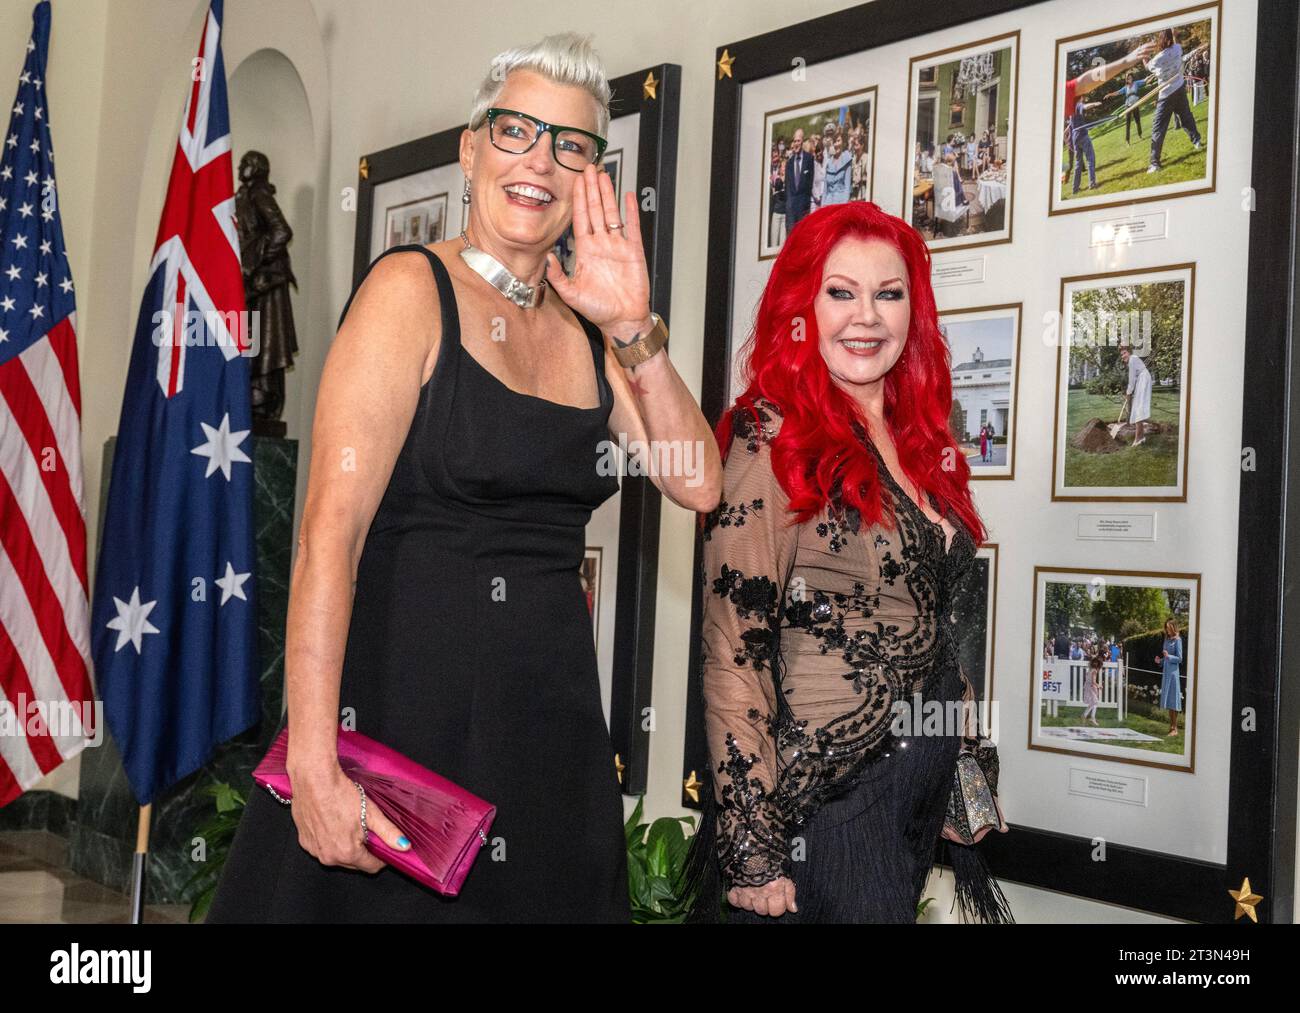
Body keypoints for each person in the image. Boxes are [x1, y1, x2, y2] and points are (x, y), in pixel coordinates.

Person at [206, 32, 721, 923]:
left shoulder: (599, 332)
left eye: (571, 144)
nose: (539, 161)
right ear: (471, 147)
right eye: (515, 131)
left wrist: (635, 326)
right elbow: (328, 532)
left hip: (550, 735)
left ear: (594, 175)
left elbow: (699, 481)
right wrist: (316, 766)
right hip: (403, 727)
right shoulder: (409, 291)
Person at [679, 200, 1012, 924]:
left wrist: (962, 764)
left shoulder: (923, 442)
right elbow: (736, 642)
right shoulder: (766, 435)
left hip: (907, 813)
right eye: (841, 292)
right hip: (817, 820)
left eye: (888, 294)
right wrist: (753, 850)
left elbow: (941, 623)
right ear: (801, 306)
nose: (867, 316)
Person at [1144, 28, 1203, 173]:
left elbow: (1147, 66)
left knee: (1158, 127)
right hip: (1180, 88)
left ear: (1161, 40)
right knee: (1186, 116)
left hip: (1166, 94)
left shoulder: (1158, 58)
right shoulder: (1177, 48)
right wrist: (1174, 35)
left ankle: (1155, 163)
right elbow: (1176, 44)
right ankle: (1197, 141)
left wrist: (1143, 55)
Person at [1119, 343, 1153, 446]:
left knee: (1138, 408)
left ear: (1129, 353)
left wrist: (1128, 392)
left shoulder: (1132, 359)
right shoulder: (1132, 360)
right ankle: (1141, 437)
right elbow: (1133, 378)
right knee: (1138, 407)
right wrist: (1130, 392)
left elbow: (1132, 378)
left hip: (1143, 379)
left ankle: (1138, 439)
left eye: (1124, 353)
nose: (1123, 356)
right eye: (1121, 354)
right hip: (1141, 380)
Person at [1157, 618, 1184, 737]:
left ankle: (1175, 728)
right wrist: (1160, 661)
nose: (1167, 630)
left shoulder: (1178, 640)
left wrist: (1168, 657)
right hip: (1166, 673)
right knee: (1169, 700)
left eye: (1168, 628)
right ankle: (1171, 726)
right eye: (1166, 628)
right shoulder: (1166, 640)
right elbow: (1165, 659)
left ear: (1173, 627)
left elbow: (1179, 659)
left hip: (1173, 674)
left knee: (1174, 700)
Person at [785, 129, 814, 231]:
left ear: (802, 141)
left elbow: (811, 183)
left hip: (804, 208)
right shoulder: (789, 163)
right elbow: (788, 188)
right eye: (795, 141)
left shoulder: (809, 159)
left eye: (798, 140)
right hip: (792, 210)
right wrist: (789, 209)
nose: (796, 143)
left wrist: (807, 205)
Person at [1081, 655, 1101, 726]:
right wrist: (1099, 686)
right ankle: (1088, 716)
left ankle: (1089, 716)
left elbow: (1088, 680)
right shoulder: (1094, 671)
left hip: (1088, 687)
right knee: (1094, 702)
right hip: (1091, 687)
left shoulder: (1089, 670)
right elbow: (1093, 681)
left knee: (1094, 702)